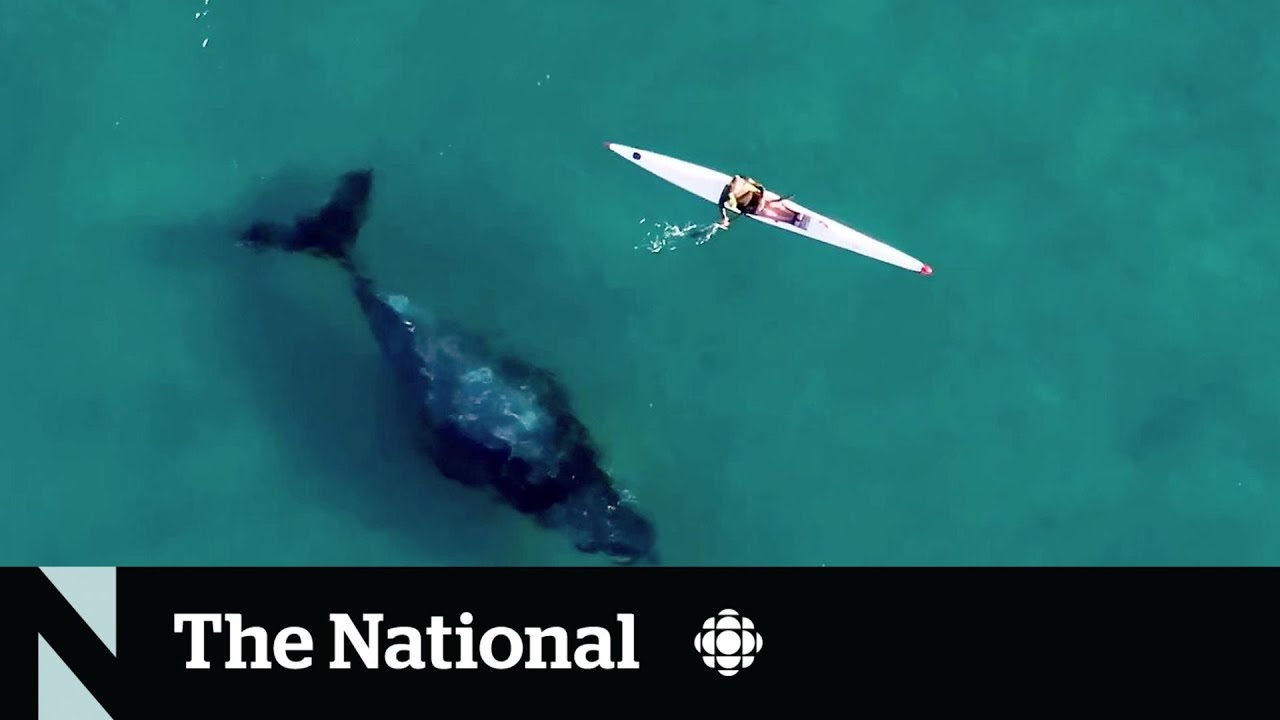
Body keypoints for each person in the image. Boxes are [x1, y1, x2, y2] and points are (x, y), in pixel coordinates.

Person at [716, 175, 806, 230]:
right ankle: (790, 220)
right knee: (766, 212)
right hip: (748, 206)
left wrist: (762, 198)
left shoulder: (742, 179)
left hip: (757, 197)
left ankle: (794, 214)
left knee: (773, 204)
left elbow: (761, 187)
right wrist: (725, 218)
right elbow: (721, 204)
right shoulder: (727, 193)